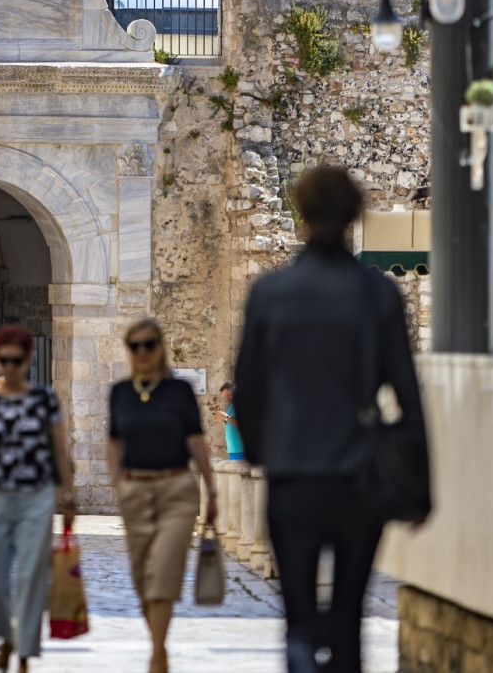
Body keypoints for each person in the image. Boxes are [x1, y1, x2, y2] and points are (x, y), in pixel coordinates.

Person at [234, 165, 427, 673]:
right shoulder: (377, 295)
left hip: (293, 472)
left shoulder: (271, 294)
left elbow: (248, 387)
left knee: (298, 616)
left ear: (302, 211)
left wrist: (259, 451)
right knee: (348, 619)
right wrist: (420, 483)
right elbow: (408, 395)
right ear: (353, 214)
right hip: (358, 475)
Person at [0, 325, 77, 673]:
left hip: (35, 498)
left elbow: (59, 452)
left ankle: (25, 650)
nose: (10, 367)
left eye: (17, 360)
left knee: (31, 576)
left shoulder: (44, 400)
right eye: (3, 360)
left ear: (28, 359)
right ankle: (5, 637)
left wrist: (68, 495)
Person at [109, 318, 218, 673]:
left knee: (165, 569)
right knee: (143, 573)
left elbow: (196, 440)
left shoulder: (179, 392)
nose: (142, 352)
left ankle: (158, 651)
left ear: (160, 348)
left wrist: (211, 487)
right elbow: (114, 442)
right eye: (135, 346)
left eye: (149, 345)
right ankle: (158, 643)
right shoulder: (121, 393)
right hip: (135, 489)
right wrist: (118, 483)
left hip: (177, 489)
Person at [212, 380, 244, 461]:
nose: (228, 398)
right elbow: (228, 427)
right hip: (232, 450)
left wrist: (226, 417)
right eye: (226, 396)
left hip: (241, 450)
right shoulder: (231, 407)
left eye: (229, 395)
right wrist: (222, 420)